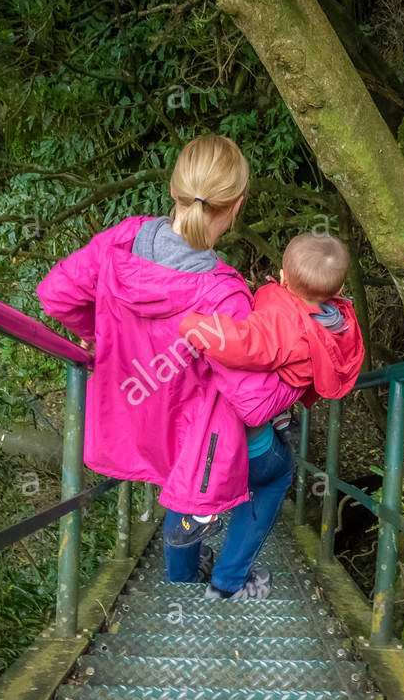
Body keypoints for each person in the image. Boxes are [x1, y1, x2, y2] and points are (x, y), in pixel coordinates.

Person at [37, 134, 301, 599]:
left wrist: (101, 338)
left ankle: (181, 584)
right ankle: (226, 583)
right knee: (275, 471)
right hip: (194, 434)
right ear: (236, 207)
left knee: (180, 473)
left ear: (174, 190)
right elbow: (252, 401)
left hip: (136, 420)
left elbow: (56, 294)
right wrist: (299, 381)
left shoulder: (124, 238)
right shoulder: (224, 293)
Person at [178, 230, 365, 412]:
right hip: (297, 379)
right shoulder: (339, 318)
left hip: (277, 389)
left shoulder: (285, 323)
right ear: (339, 290)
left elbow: (240, 343)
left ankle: (279, 420)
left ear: (283, 278)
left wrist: (191, 325)